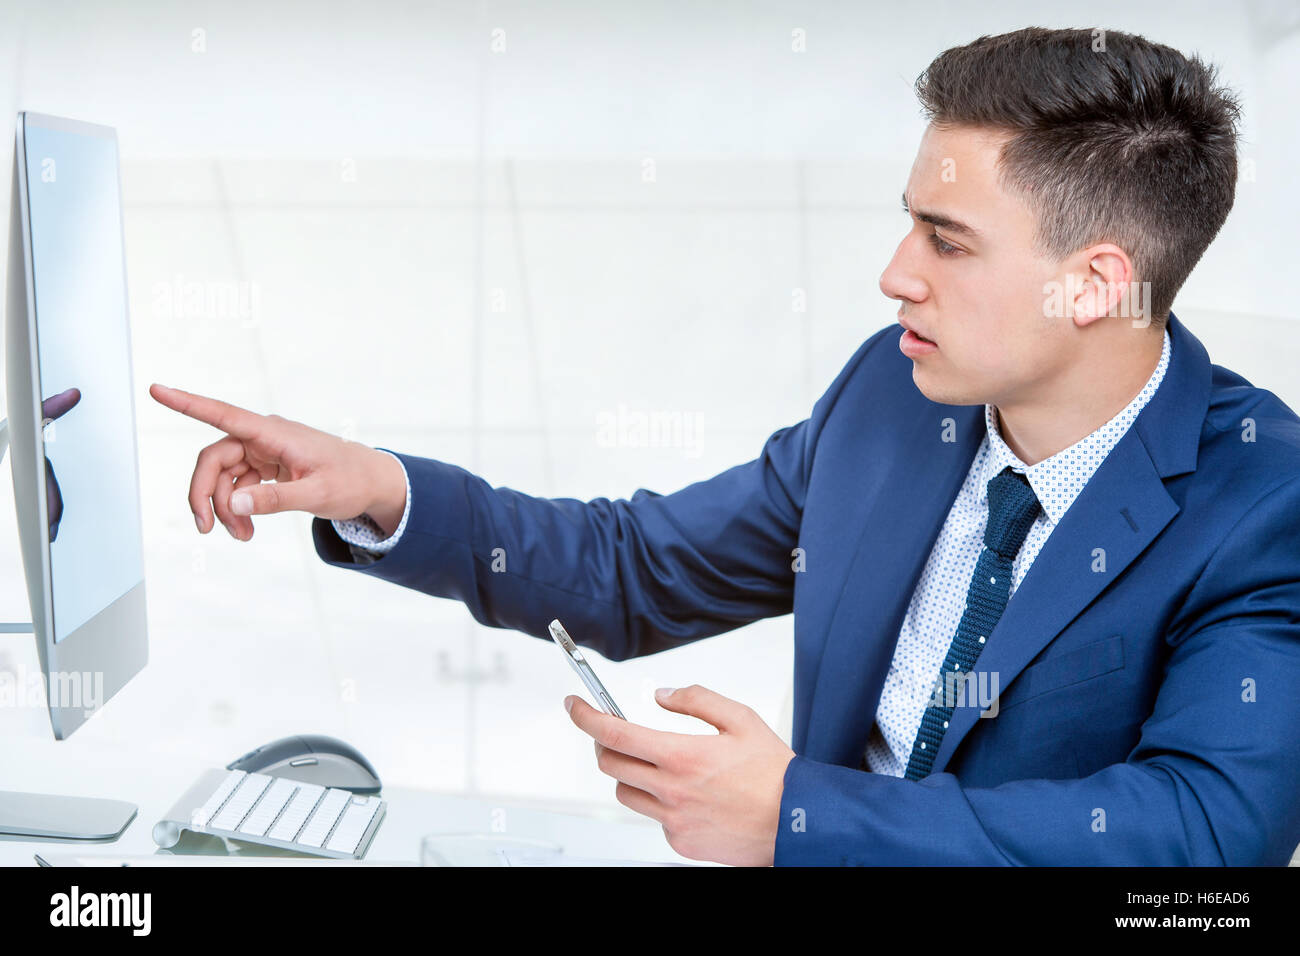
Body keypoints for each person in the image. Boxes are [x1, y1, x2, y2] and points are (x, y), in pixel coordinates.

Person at [151, 26, 1300, 866]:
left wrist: (798, 815)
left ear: (1094, 282)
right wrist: (379, 487)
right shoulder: (895, 397)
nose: (895, 272)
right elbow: (635, 565)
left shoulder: (1262, 496)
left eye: (946, 241)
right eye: (908, 222)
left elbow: (1204, 834)